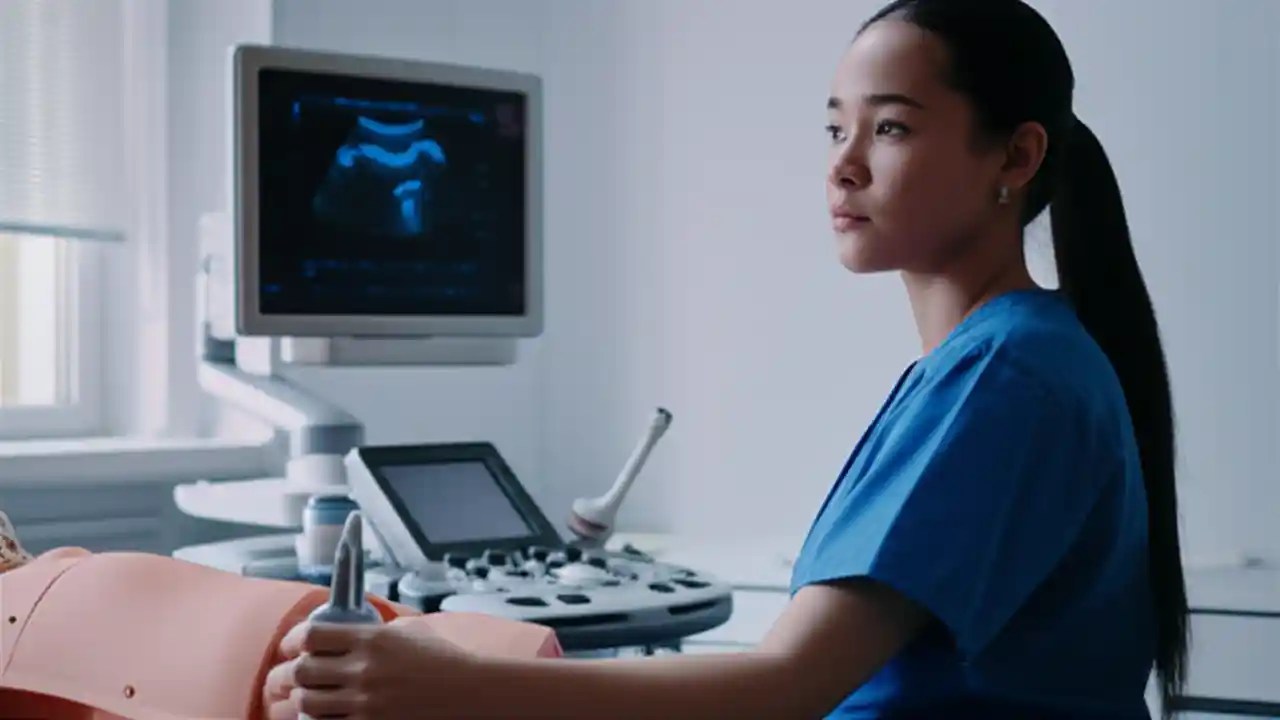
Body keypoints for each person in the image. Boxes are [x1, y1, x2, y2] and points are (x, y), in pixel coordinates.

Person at [263, 0, 1189, 717]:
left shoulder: (1008, 377)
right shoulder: (1013, 359)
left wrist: (452, 691)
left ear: (1017, 157)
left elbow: (782, 690)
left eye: (892, 128)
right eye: (836, 129)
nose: (844, 166)